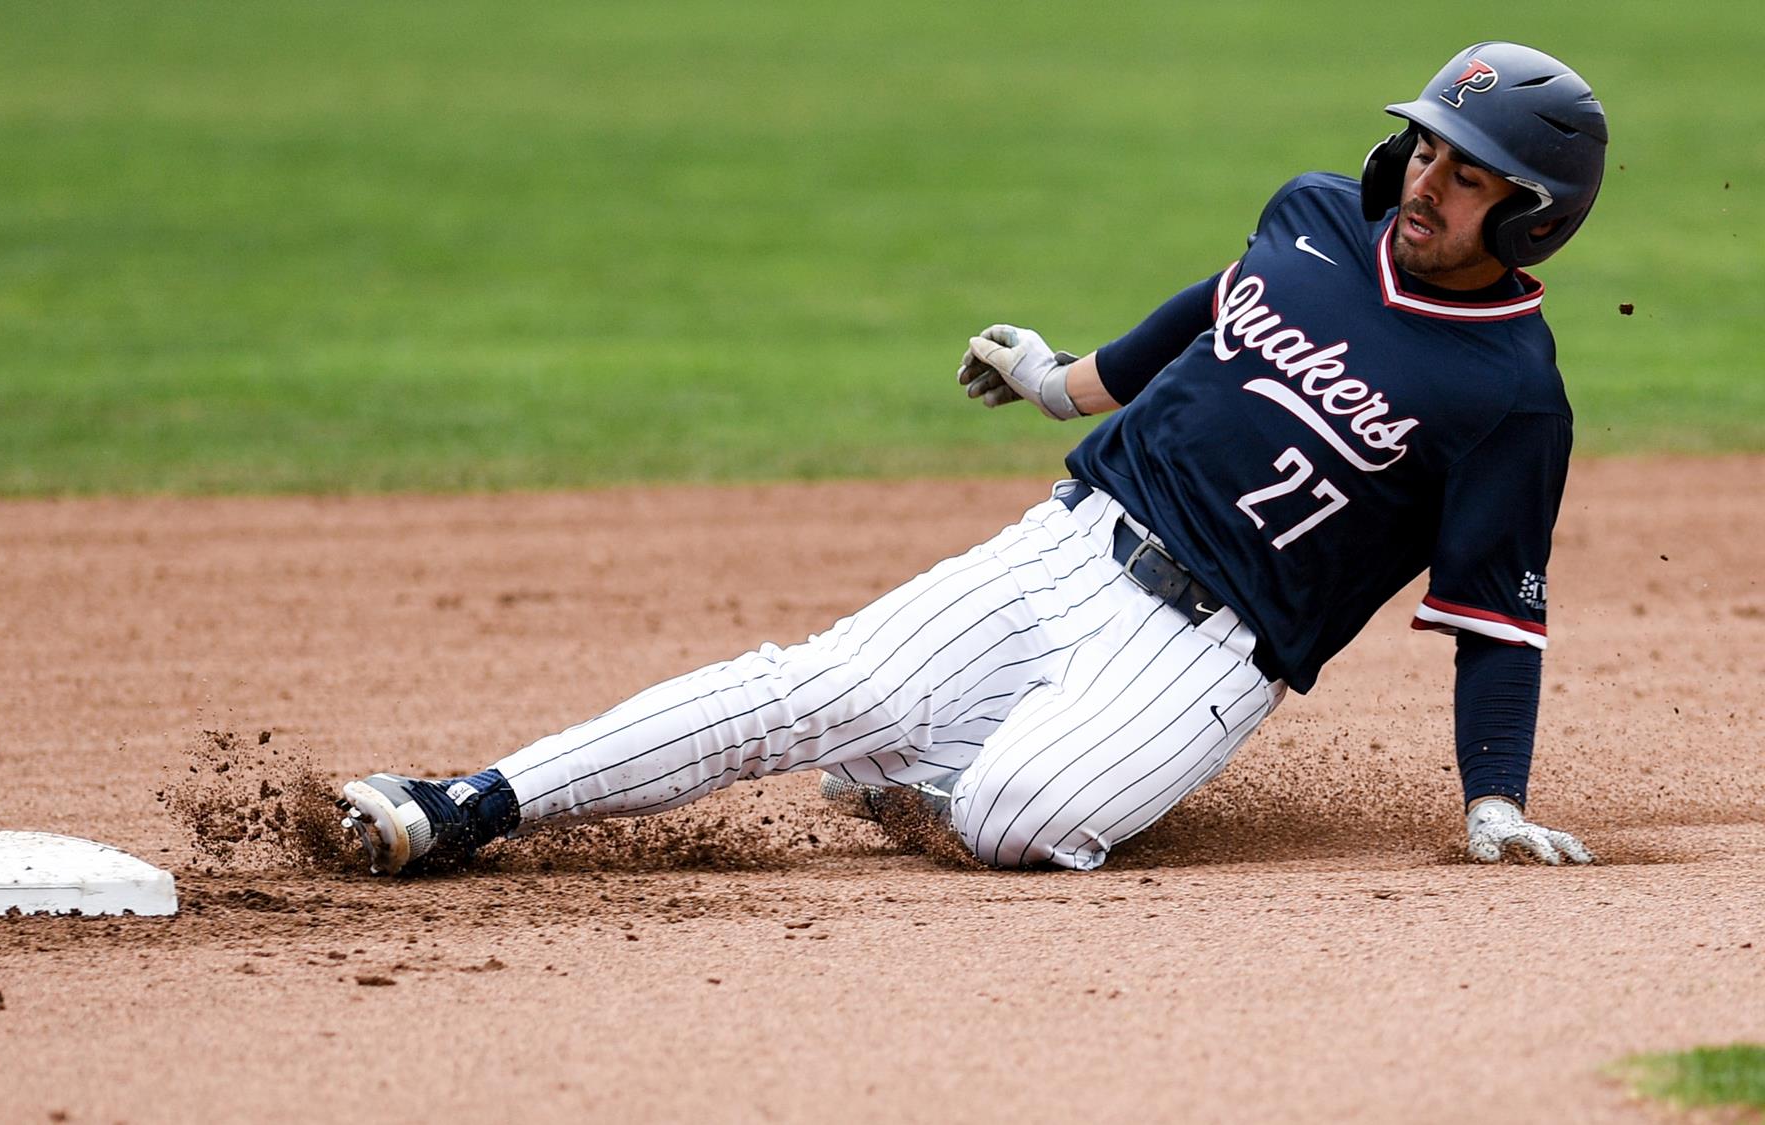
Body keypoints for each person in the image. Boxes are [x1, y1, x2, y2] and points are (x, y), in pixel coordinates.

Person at [338, 41, 1608, 875]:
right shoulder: (1315, 214)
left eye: (1470, 171)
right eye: (1429, 146)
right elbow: (1202, 311)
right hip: (1066, 544)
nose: (1430, 178)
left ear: (1533, 212)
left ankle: (922, 766)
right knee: (811, 687)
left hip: (1213, 653)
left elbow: (1495, 615)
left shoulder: (1510, 397)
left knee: (1019, 818)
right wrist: (1062, 386)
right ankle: (469, 803)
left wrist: (1490, 801)